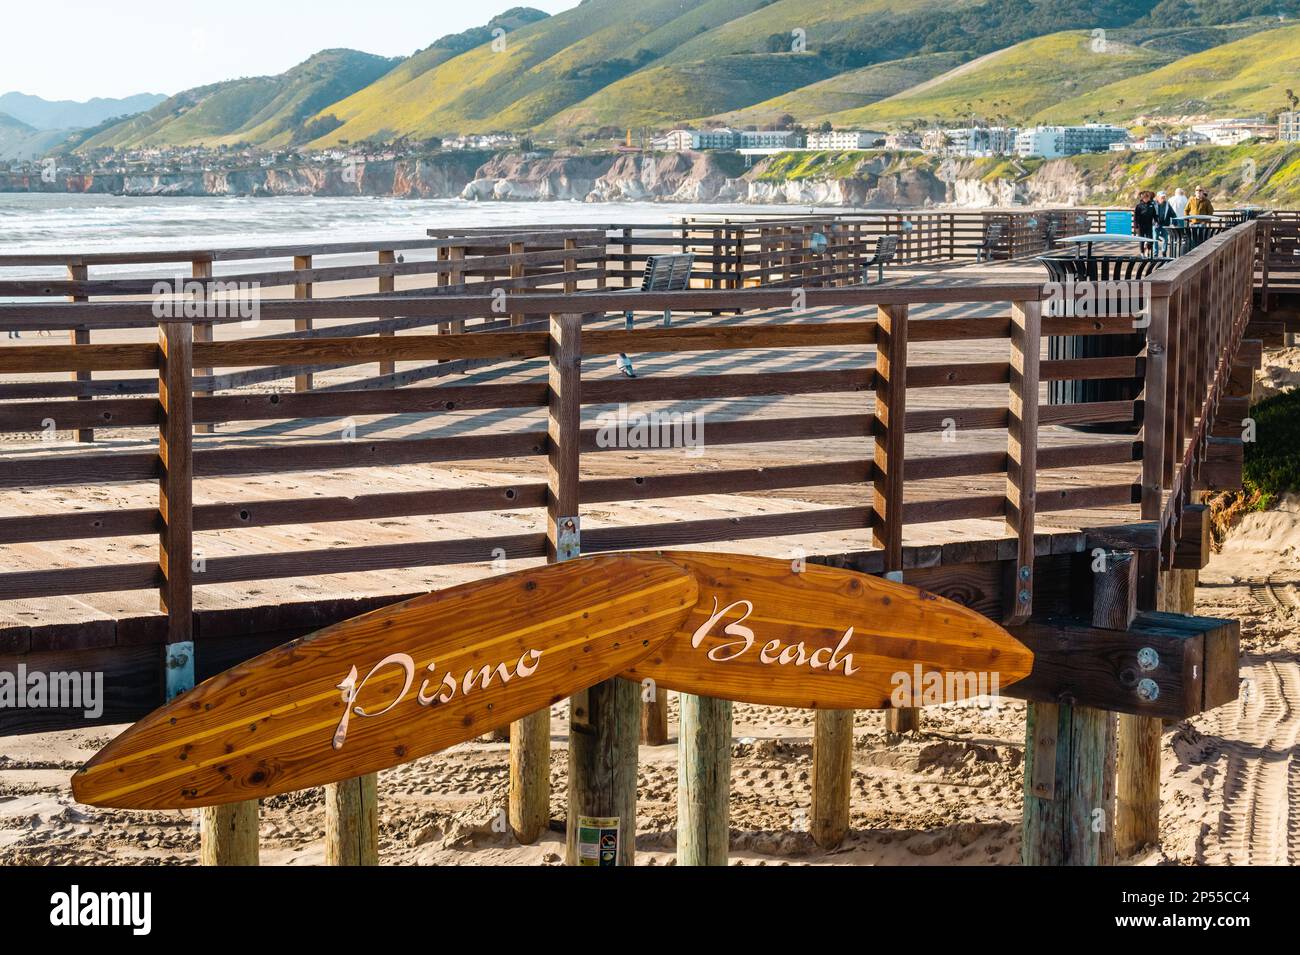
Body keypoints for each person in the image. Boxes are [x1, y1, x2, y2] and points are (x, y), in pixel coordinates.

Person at [1152, 190, 1176, 255]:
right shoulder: (1153, 204)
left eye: (1164, 197)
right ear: (1158, 197)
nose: (1163, 198)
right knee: (1155, 238)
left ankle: (1164, 251)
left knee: (1165, 238)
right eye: (1162, 197)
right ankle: (1155, 253)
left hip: (1165, 224)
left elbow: (1173, 214)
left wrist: (1175, 223)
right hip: (1156, 224)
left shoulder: (1167, 205)